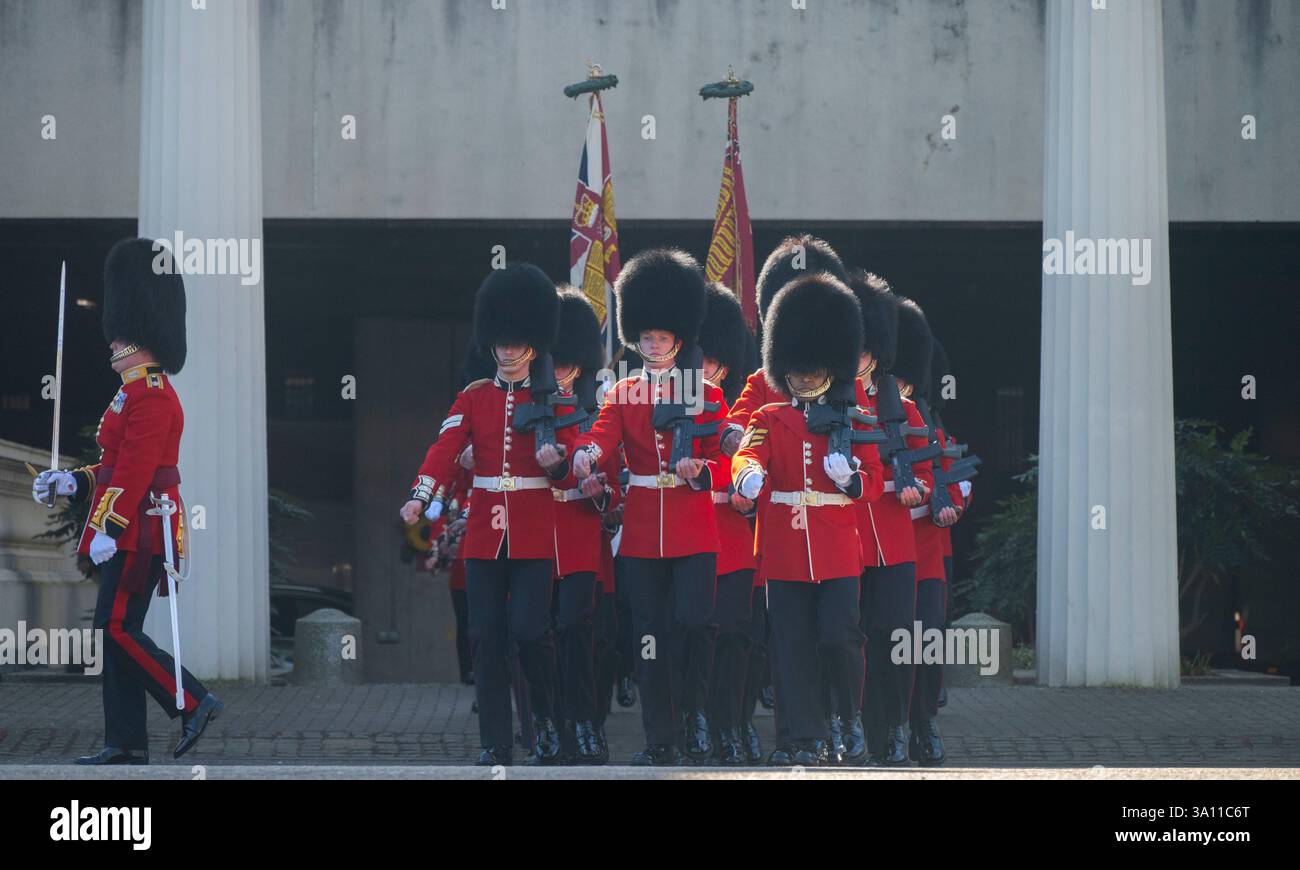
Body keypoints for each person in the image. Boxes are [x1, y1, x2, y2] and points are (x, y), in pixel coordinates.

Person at [32, 237, 223, 765]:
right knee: (119, 632)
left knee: (114, 629)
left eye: (119, 338)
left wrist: (105, 531)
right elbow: (115, 465)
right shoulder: (132, 392)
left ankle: (193, 699)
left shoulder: (152, 394)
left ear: (137, 334)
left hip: (141, 529)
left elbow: (137, 474)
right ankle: (126, 741)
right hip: (129, 526)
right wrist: (71, 483)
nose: (111, 345)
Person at [400, 264, 570, 766]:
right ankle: (495, 741)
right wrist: (420, 494)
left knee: (529, 633)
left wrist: (559, 463)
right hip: (483, 536)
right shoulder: (474, 397)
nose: (508, 349)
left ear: (533, 345)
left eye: (517, 341)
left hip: (535, 533)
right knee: (484, 637)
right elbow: (445, 447)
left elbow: (577, 451)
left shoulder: (554, 400)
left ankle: (548, 726)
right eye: (501, 340)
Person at [571, 248, 726, 766]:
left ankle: (696, 715)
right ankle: (660, 736)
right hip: (641, 529)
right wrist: (587, 454)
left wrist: (701, 470)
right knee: (649, 638)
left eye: (662, 337)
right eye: (646, 337)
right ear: (634, 340)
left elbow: (725, 456)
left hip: (694, 527)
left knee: (695, 624)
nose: (653, 344)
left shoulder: (706, 393)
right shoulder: (621, 393)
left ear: (678, 340)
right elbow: (602, 434)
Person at [731, 273, 883, 766]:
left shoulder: (852, 413)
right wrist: (748, 475)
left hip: (837, 545)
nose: (801, 375)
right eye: (793, 368)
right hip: (784, 549)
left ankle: (847, 718)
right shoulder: (770, 414)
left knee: (840, 637)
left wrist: (852, 480)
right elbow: (747, 453)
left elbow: (875, 480)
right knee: (791, 647)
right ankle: (800, 738)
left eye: (810, 367)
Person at [849, 272, 935, 766]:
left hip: (896, 543)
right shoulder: (831, 408)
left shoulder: (902, 411)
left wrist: (915, 488)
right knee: (852, 637)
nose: (858, 361)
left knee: (896, 637)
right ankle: (858, 725)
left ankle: (896, 728)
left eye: (864, 352)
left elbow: (925, 471)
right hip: (849, 538)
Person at [548, 287, 616, 764]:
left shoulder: (599, 412)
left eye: (567, 366)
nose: (559, 374)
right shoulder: (526, 412)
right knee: (537, 636)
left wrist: (604, 497)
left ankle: (588, 723)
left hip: (587, 541)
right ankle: (551, 727)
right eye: (553, 364)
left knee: (590, 638)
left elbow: (619, 481)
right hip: (535, 541)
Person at [698, 283, 758, 765]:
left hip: (737, 535)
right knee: (696, 634)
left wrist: (749, 502)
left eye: (713, 362)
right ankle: (696, 725)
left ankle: (735, 724)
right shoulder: (666, 402)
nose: (705, 370)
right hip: (690, 533)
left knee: (738, 633)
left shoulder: (742, 407)